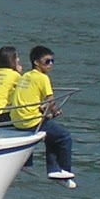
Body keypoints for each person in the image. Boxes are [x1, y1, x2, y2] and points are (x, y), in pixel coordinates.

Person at [10, 44, 75, 183]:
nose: (50, 64)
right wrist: (56, 111)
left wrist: (44, 109)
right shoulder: (42, 77)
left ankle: (40, 167)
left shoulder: (26, 76)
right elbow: (51, 101)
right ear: (36, 62)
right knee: (64, 136)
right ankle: (63, 170)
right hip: (30, 121)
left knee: (51, 135)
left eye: (52, 61)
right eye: (47, 61)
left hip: (17, 120)